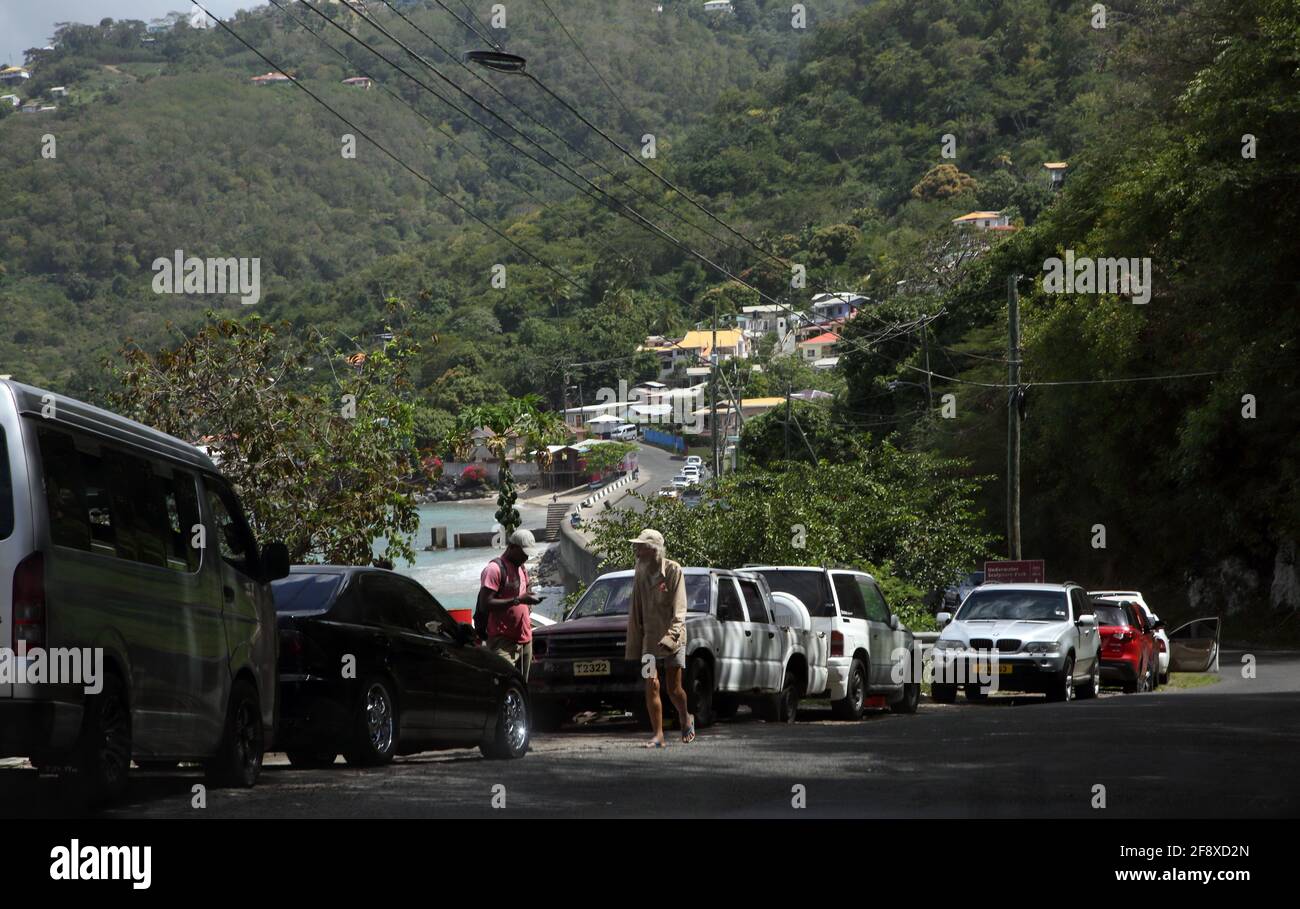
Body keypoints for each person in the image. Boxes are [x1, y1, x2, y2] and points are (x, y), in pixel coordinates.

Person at [623, 528, 693, 747]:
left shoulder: (674, 570)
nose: (636, 551)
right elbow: (636, 608)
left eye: (641, 547)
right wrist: (636, 641)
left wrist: (671, 637)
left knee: (674, 688)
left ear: (653, 550)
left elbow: (680, 610)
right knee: (650, 683)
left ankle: (685, 716)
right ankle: (658, 734)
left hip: (674, 637)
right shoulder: (640, 571)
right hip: (649, 640)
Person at [475, 529, 542, 680]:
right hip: (503, 642)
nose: (526, 557)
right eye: (524, 553)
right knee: (503, 686)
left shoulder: (521, 567)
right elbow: (485, 604)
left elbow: (526, 587)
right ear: (511, 547)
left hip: (525, 639)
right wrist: (518, 600)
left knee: (521, 688)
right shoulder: (494, 569)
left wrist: (529, 600)